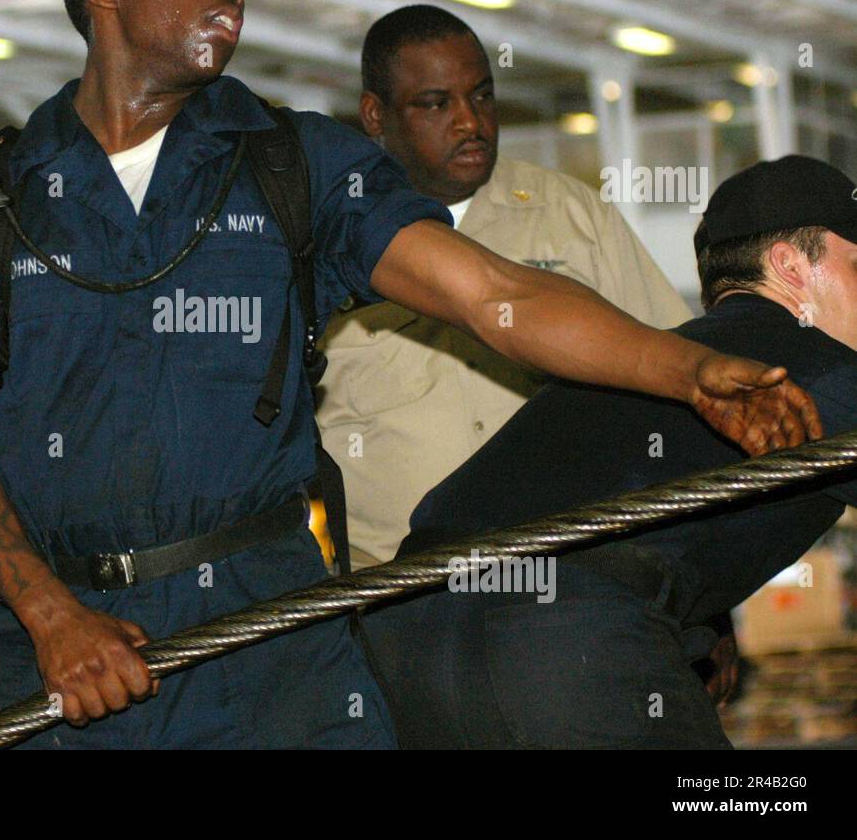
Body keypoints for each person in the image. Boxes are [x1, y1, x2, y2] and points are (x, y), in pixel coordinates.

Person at [0, 0, 818, 750]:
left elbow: (494, 293)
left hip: (269, 637)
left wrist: (685, 371)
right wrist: (49, 615)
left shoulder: (296, 165)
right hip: (44, 631)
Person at [364, 156, 857, 749]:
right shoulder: (803, 362)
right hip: (558, 638)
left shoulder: (653, 366)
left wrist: (701, 621)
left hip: (399, 640)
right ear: (790, 267)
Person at [317, 5, 692, 570]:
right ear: (375, 115)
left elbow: (676, 376)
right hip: (400, 600)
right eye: (437, 103)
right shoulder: (325, 244)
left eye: (483, 96)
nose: (471, 122)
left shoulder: (574, 215)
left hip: (574, 577)